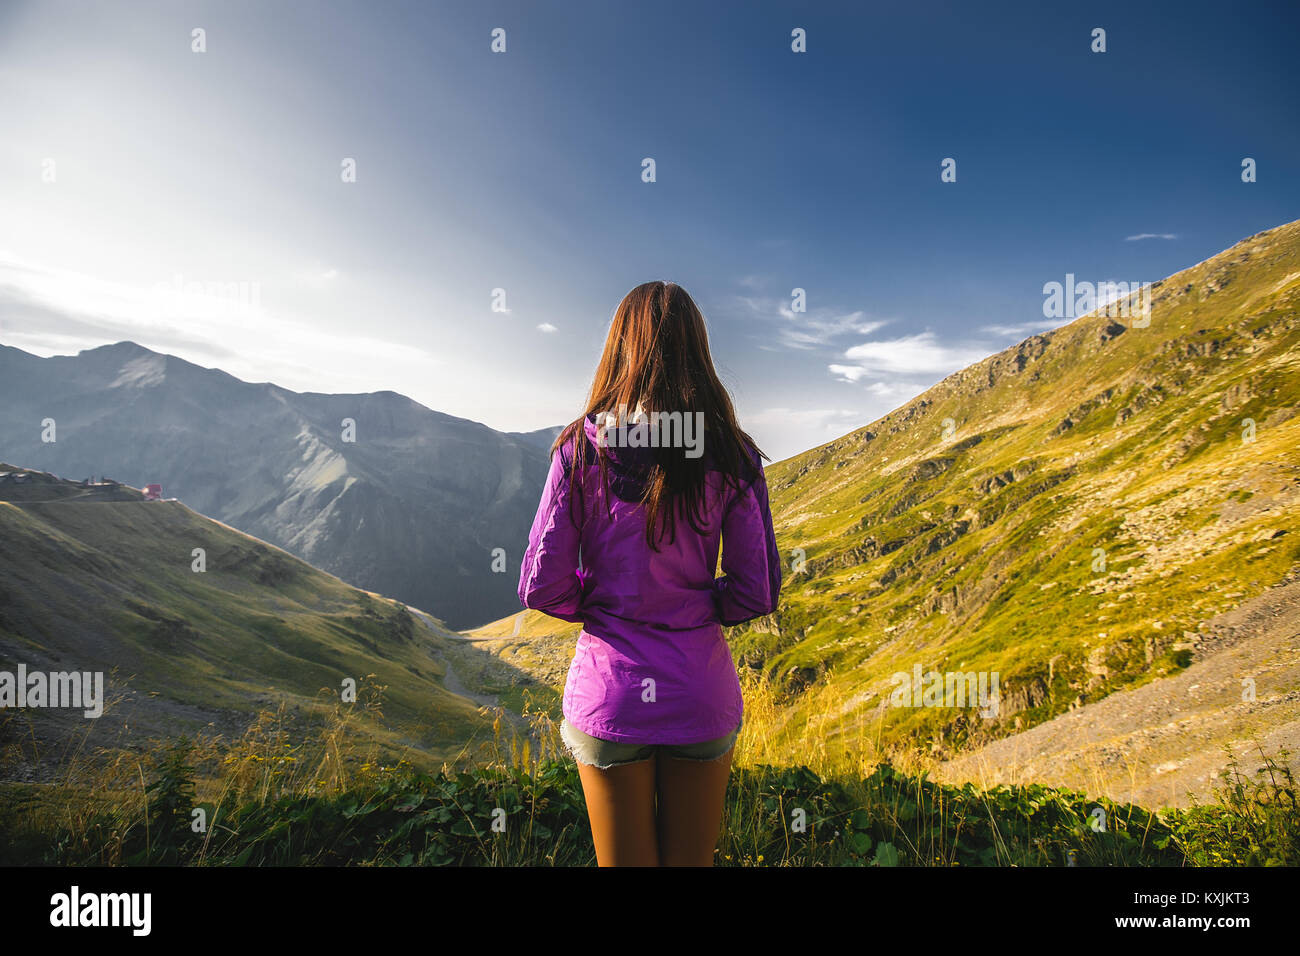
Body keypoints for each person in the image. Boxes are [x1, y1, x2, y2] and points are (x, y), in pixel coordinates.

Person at [518, 280, 782, 866]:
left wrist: (610, 600)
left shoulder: (579, 451)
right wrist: (690, 601)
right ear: (699, 352)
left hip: (610, 694)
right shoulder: (732, 456)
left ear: (619, 348)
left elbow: (543, 583)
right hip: (698, 690)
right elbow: (753, 591)